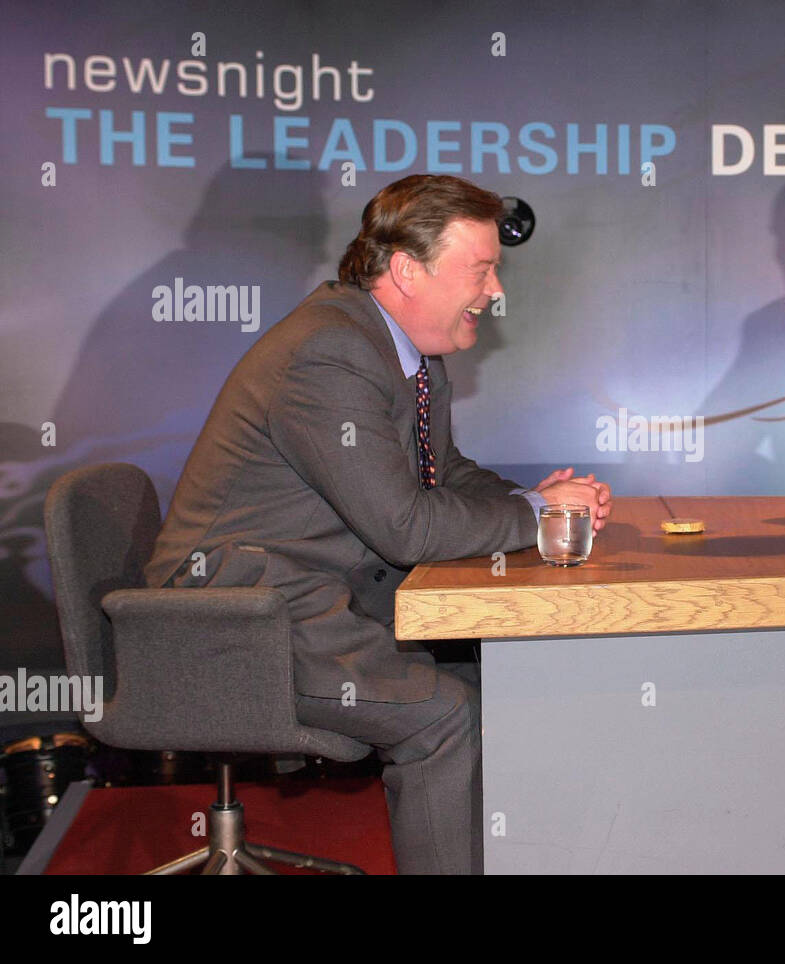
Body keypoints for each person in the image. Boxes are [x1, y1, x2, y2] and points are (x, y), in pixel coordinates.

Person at [145, 174, 612, 874]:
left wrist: (537, 501)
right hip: (231, 618)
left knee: (500, 685)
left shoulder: (409, 353)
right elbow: (407, 529)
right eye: (481, 270)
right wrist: (537, 518)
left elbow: (442, 474)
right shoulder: (328, 355)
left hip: (306, 596)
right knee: (444, 719)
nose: (495, 290)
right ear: (405, 269)